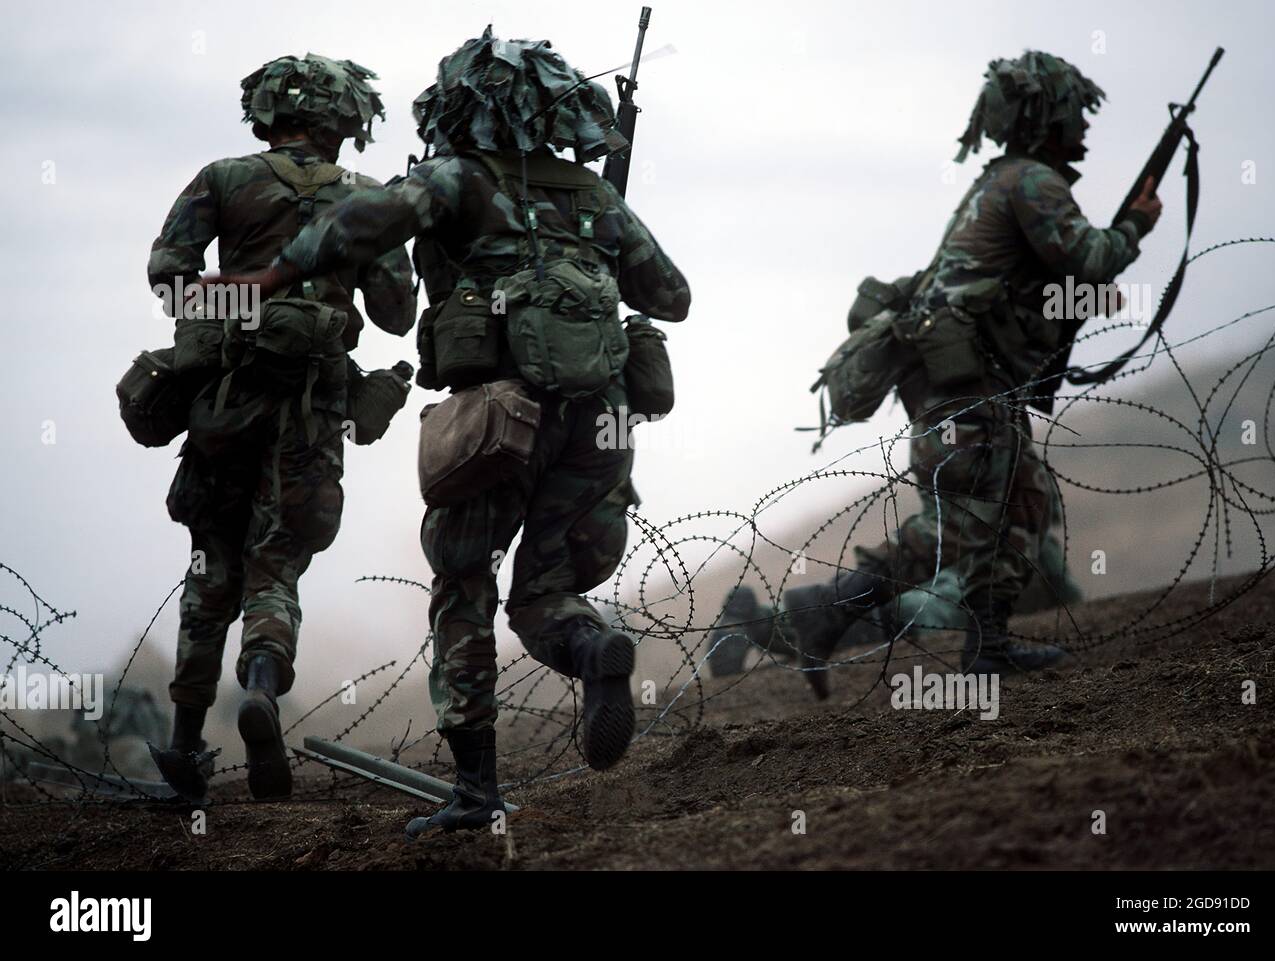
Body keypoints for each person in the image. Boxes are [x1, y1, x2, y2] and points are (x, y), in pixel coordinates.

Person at [215, 29, 690, 832]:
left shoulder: (457, 178)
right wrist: (590, 238)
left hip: (501, 419)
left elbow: (359, 227)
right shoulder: (595, 195)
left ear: (461, 108)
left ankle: (476, 791)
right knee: (545, 591)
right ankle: (591, 651)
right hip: (601, 416)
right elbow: (671, 297)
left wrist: (272, 272)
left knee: (463, 587)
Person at [781, 51, 1163, 697]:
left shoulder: (1003, 181)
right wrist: (1136, 225)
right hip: (968, 390)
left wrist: (1076, 296)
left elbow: (1037, 280)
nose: (1085, 127)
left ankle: (988, 647)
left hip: (975, 384)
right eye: (1074, 110)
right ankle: (824, 610)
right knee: (959, 524)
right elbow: (1090, 257)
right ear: (1046, 116)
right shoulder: (1030, 182)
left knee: (1022, 501)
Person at [147, 53, 415, 800]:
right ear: (344, 121)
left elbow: (168, 276)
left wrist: (246, 314)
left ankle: (184, 745)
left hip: (225, 405)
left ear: (268, 112)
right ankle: (261, 689)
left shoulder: (223, 179)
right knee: (276, 567)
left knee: (211, 564)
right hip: (310, 414)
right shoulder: (364, 198)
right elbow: (397, 314)